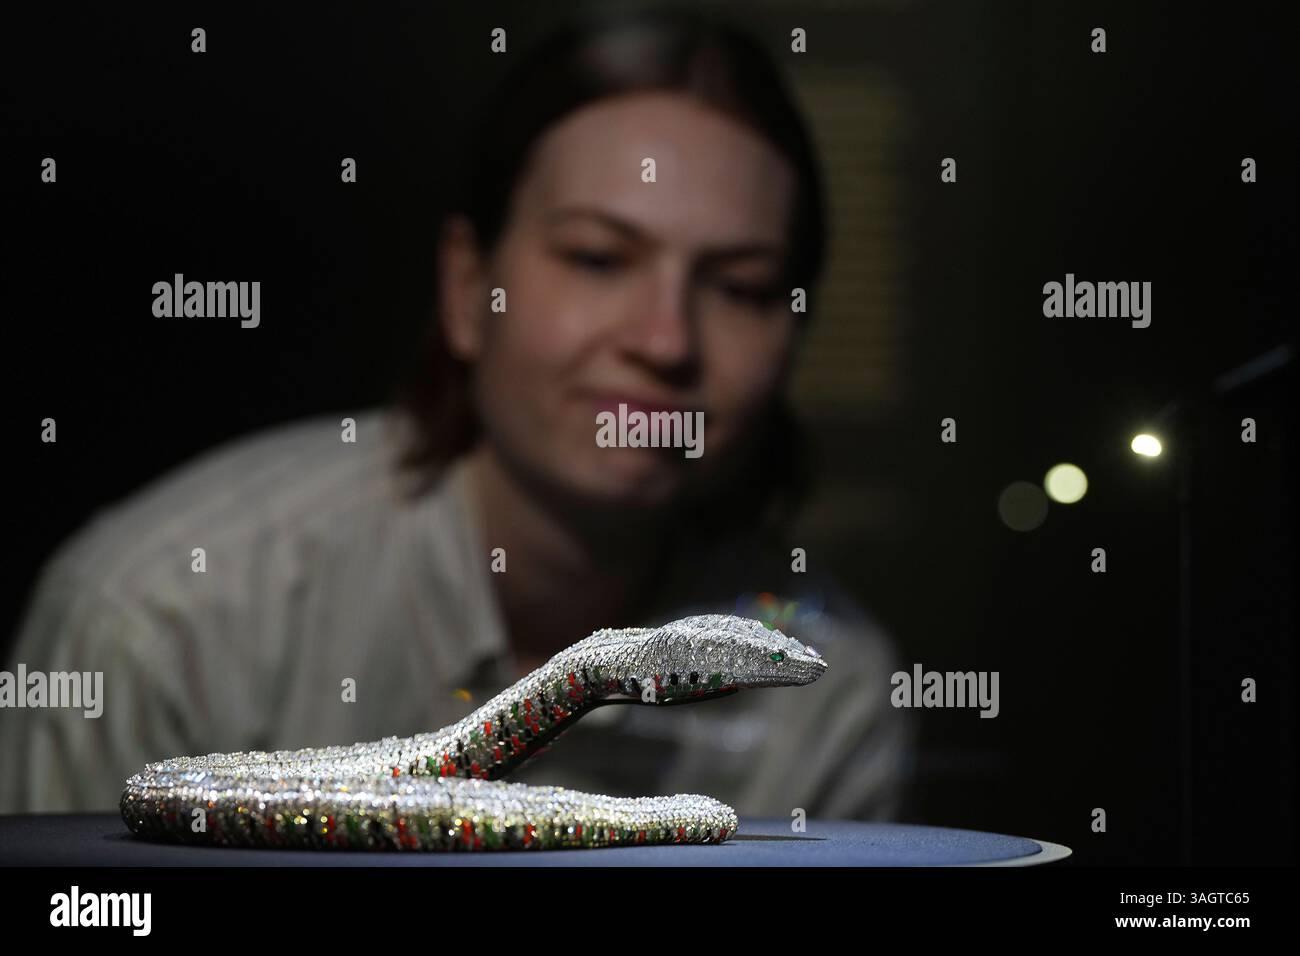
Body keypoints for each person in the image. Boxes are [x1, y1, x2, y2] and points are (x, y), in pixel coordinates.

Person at [0, 8, 914, 821]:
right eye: (598, 257)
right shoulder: (164, 619)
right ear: (469, 286)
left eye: (741, 286)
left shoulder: (829, 695)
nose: (667, 338)